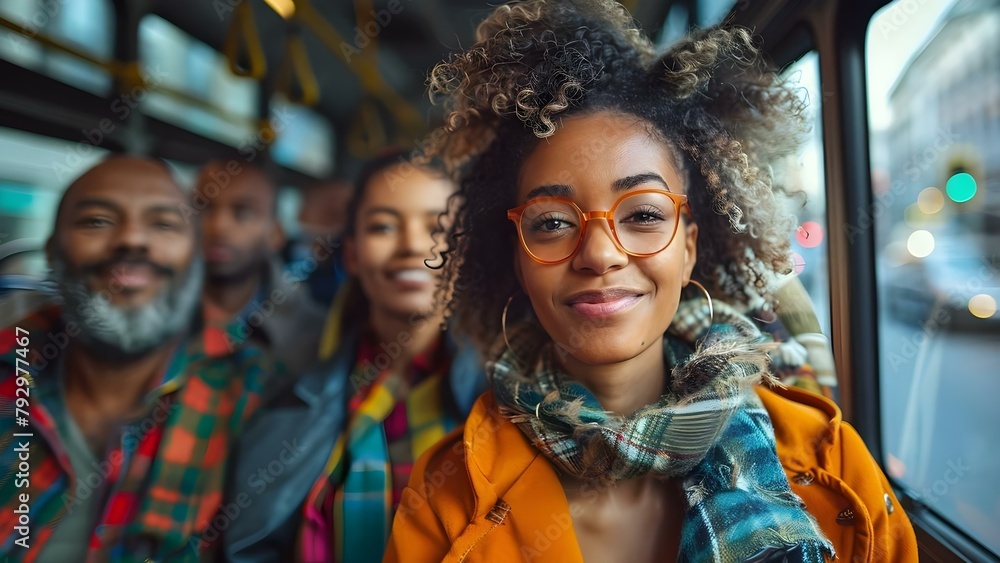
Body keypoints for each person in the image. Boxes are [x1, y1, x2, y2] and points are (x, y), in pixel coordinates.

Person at [385, 2, 918, 562]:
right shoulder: (445, 496)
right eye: (552, 223)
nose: (599, 254)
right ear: (515, 258)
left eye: (642, 215)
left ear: (689, 248)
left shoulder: (833, 464)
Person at [224, 150, 486, 563]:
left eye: (437, 225)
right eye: (383, 226)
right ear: (353, 255)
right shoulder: (288, 398)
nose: (412, 245)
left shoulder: (512, 394)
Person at [0, 156, 265, 561]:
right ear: (54, 252)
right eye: (97, 221)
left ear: (196, 256)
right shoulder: (10, 363)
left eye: (163, 224)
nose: (132, 240)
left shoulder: (260, 396)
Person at [195, 159, 325, 382]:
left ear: (275, 234)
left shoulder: (313, 334)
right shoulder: (156, 306)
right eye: (205, 208)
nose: (218, 226)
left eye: (242, 213)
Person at [282, 179, 352, 308]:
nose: (338, 225)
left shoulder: (345, 278)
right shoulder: (275, 253)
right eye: (330, 214)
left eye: (343, 217)